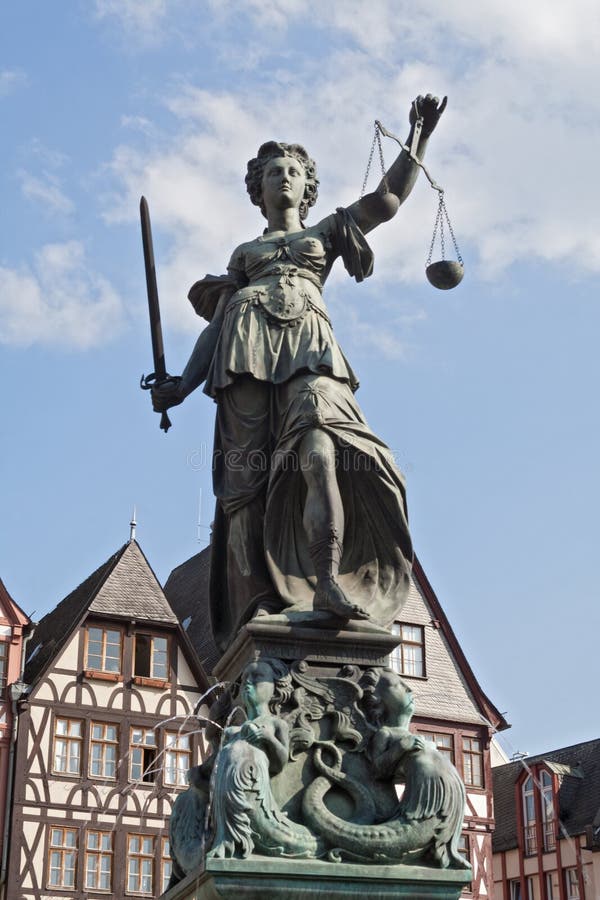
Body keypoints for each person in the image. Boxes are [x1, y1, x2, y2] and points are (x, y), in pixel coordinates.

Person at [152, 95, 447, 651]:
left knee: (321, 449)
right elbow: (217, 326)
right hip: (243, 355)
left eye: (293, 171)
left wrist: (419, 138)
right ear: (258, 189)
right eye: (273, 172)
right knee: (245, 485)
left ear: (307, 186)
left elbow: (385, 201)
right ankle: (258, 600)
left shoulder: (328, 232)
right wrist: (182, 386)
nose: (283, 178)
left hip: (311, 353)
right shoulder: (245, 254)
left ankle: (327, 580)